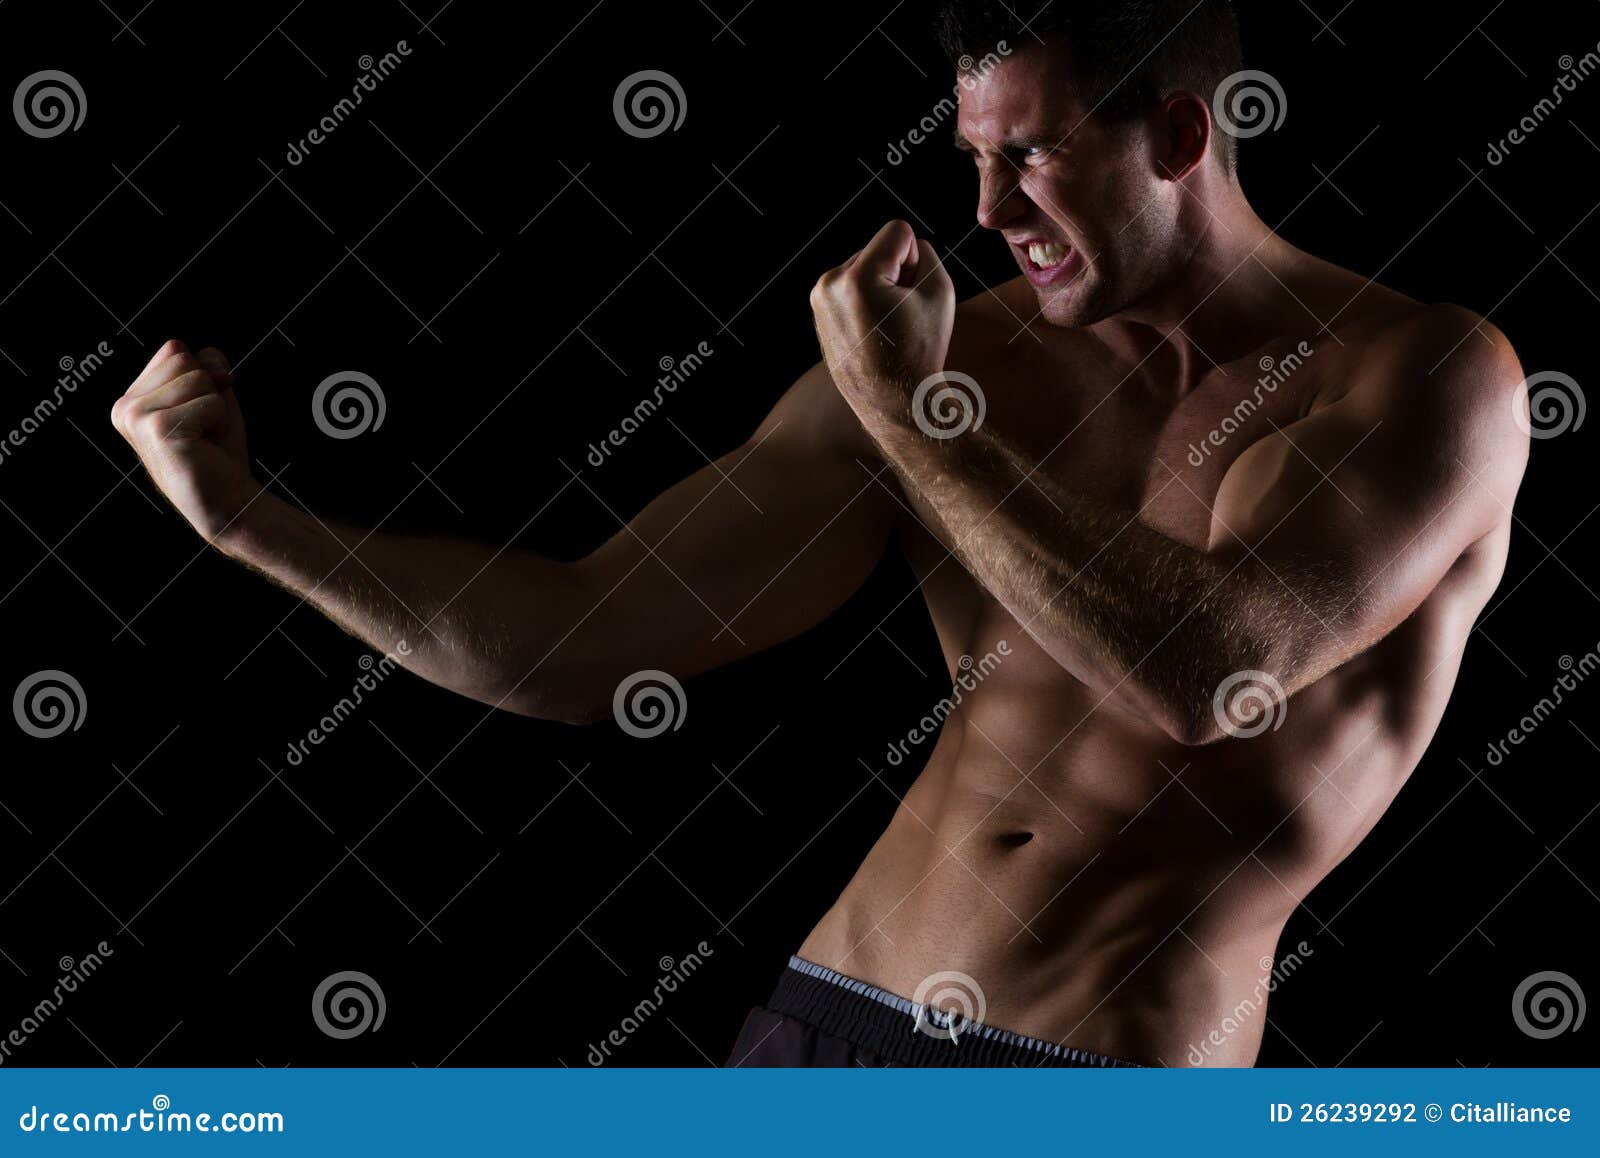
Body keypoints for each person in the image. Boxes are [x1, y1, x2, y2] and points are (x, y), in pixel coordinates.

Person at [110, 0, 1528, 1066]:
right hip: (819, 1033)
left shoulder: (1424, 377)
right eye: (973, 158)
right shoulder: (966, 367)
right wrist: (253, 526)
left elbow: (1210, 668)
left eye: (1031, 154)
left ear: (1178, 134)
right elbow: (582, 639)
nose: (988, 211)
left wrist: (919, 421)